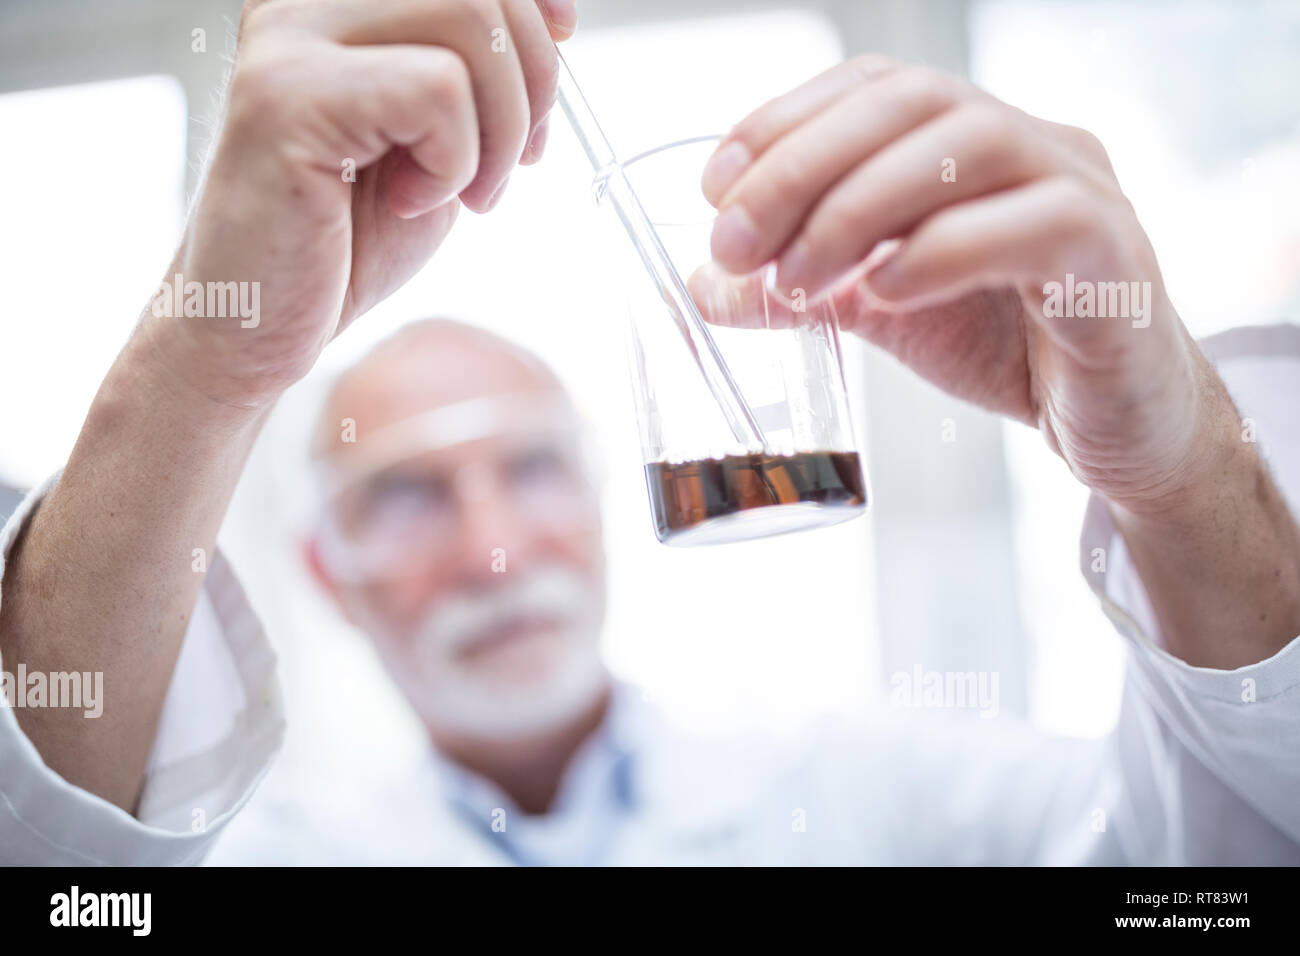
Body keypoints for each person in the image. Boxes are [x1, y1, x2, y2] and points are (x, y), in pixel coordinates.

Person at [1, 0, 1298, 865]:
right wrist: (209, 358)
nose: (494, 544)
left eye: (529, 468)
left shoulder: (884, 798)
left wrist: (1179, 475)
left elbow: (1227, 866)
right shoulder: (278, 852)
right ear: (324, 574)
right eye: (404, 494)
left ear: (602, 495)